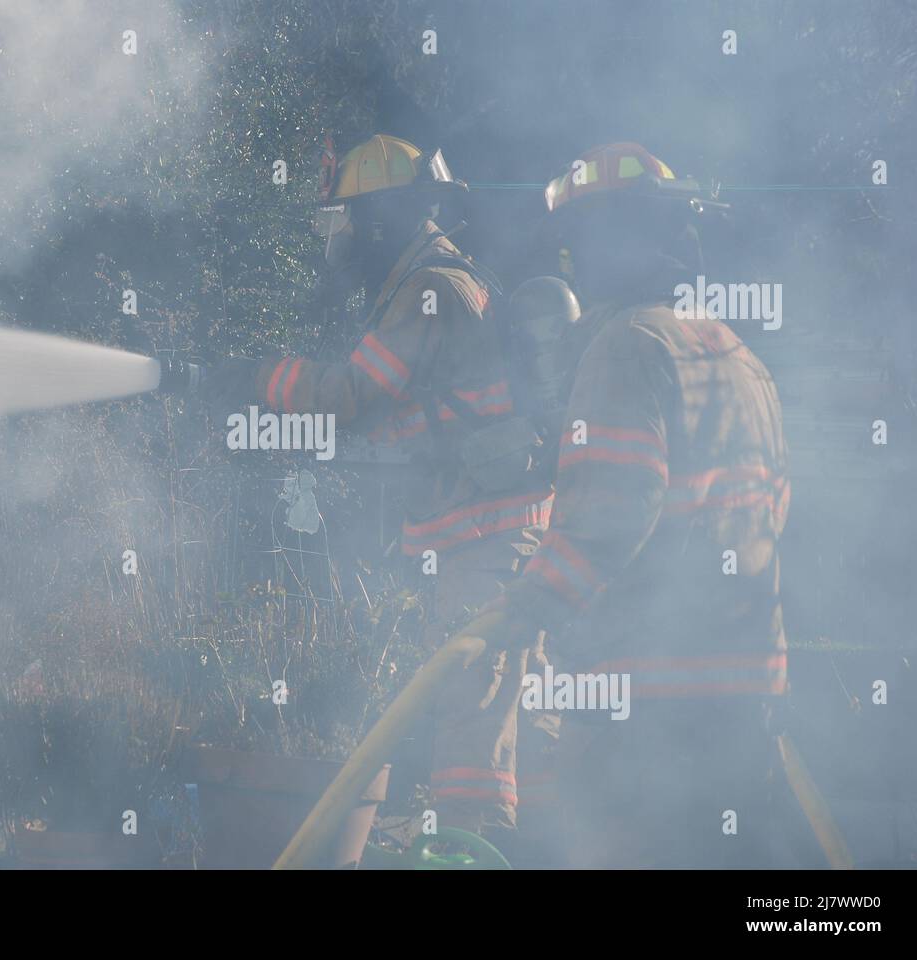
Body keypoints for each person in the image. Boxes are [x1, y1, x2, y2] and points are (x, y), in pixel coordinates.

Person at [203, 134, 556, 836]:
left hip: (485, 529)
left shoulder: (428, 290)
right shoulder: (438, 278)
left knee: (474, 698)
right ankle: (539, 843)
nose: (338, 238)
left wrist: (255, 377)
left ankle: (467, 845)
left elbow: (352, 393)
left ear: (381, 218)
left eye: (345, 219)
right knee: (514, 699)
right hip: (490, 524)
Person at [454, 143, 795, 867]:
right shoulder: (742, 356)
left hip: (646, 694)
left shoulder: (628, 343)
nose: (574, 261)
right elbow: (774, 503)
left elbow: (615, 506)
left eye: (579, 242)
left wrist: (528, 607)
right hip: (747, 679)